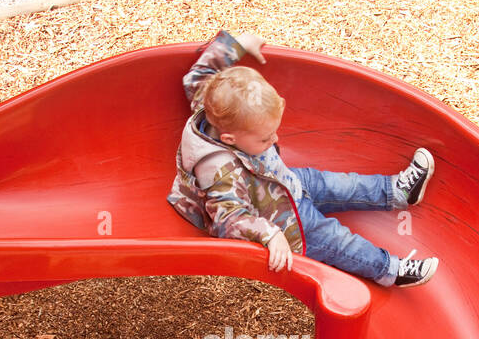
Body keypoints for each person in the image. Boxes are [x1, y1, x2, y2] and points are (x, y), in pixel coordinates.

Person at [167, 29, 439, 287]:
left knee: (340, 184)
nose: (274, 140)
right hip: (279, 217)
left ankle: (398, 192)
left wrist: (238, 43)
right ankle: (390, 270)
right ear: (229, 138)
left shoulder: (213, 102)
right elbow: (229, 219)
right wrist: (269, 234)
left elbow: (199, 74)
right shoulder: (218, 172)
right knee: (336, 240)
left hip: (284, 182)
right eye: (264, 138)